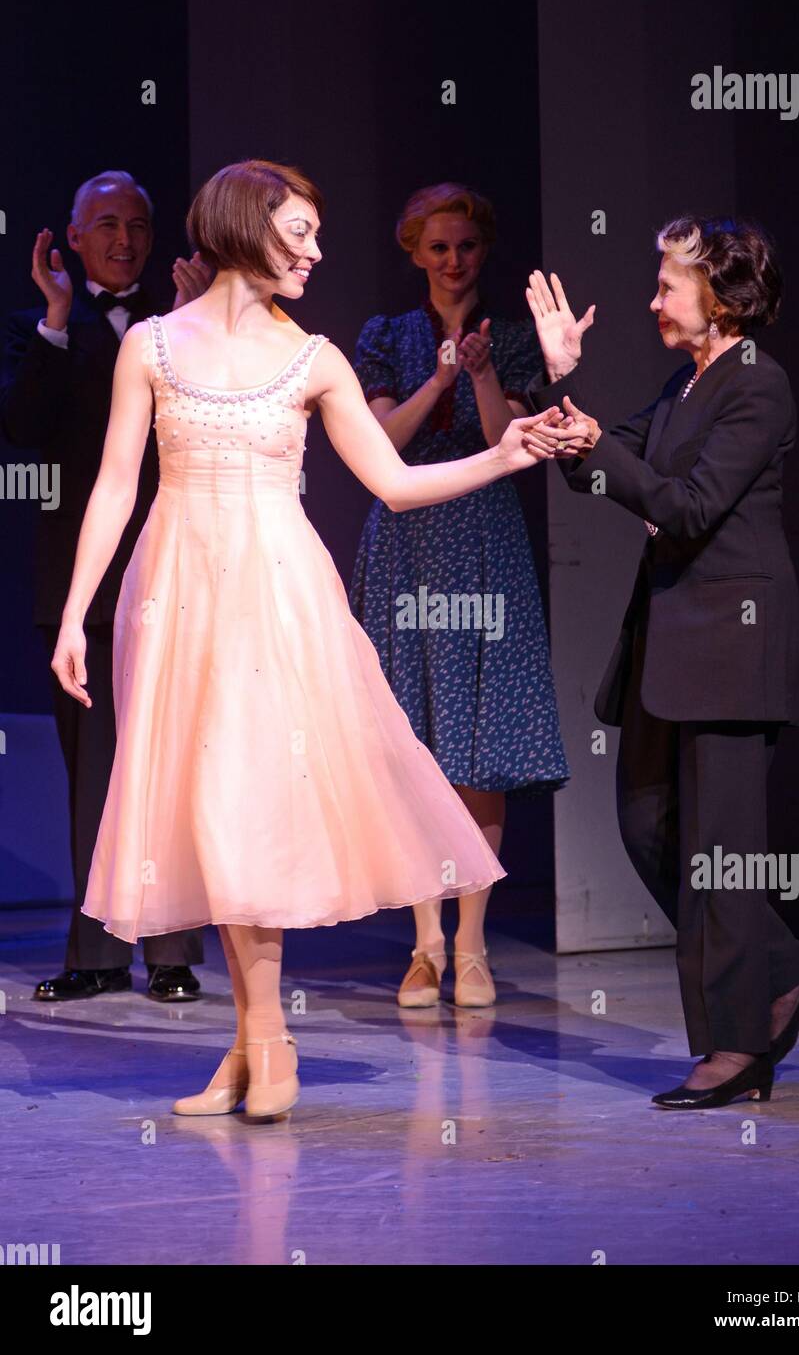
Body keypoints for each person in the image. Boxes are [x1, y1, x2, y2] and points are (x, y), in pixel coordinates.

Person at [49, 159, 581, 1120]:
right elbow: (116, 486)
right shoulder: (155, 347)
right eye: (299, 231)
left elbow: (393, 483)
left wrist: (502, 454)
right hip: (172, 594)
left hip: (277, 594)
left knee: (250, 805)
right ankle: (256, 1045)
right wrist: (75, 612)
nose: (316, 250)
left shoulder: (318, 358)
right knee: (203, 811)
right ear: (248, 228)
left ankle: (266, 1046)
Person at [522, 220, 799, 1110]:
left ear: (725, 298)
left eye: (668, 285)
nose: (653, 299)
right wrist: (561, 390)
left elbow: (689, 508)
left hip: (734, 643)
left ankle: (735, 1049)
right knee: (646, 830)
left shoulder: (758, 387)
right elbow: (597, 468)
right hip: (671, 643)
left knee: (721, 857)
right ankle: (785, 972)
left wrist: (597, 450)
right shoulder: (684, 382)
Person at [350, 183, 571, 1010]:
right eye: (437, 248)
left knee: (477, 744)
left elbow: (502, 442)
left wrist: (478, 376)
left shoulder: (512, 338)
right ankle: (424, 946)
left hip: (482, 544)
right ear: (414, 253)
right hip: (410, 544)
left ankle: (471, 945)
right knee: (414, 745)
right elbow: (384, 448)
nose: (452, 262)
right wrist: (439, 377)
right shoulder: (385, 336)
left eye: (465, 248)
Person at [0, 169, 213, 1004]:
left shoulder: (178, 325)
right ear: (74, 237)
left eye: (136, 225)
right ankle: (93, 955)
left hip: (173, 562)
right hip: (79, 578)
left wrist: (199, 324)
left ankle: (170, 954)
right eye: (106, 225)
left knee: (169, 758)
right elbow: (25, 430)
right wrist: (57, 319)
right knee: (93, 765)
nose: (123, 240)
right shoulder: (36, 328)